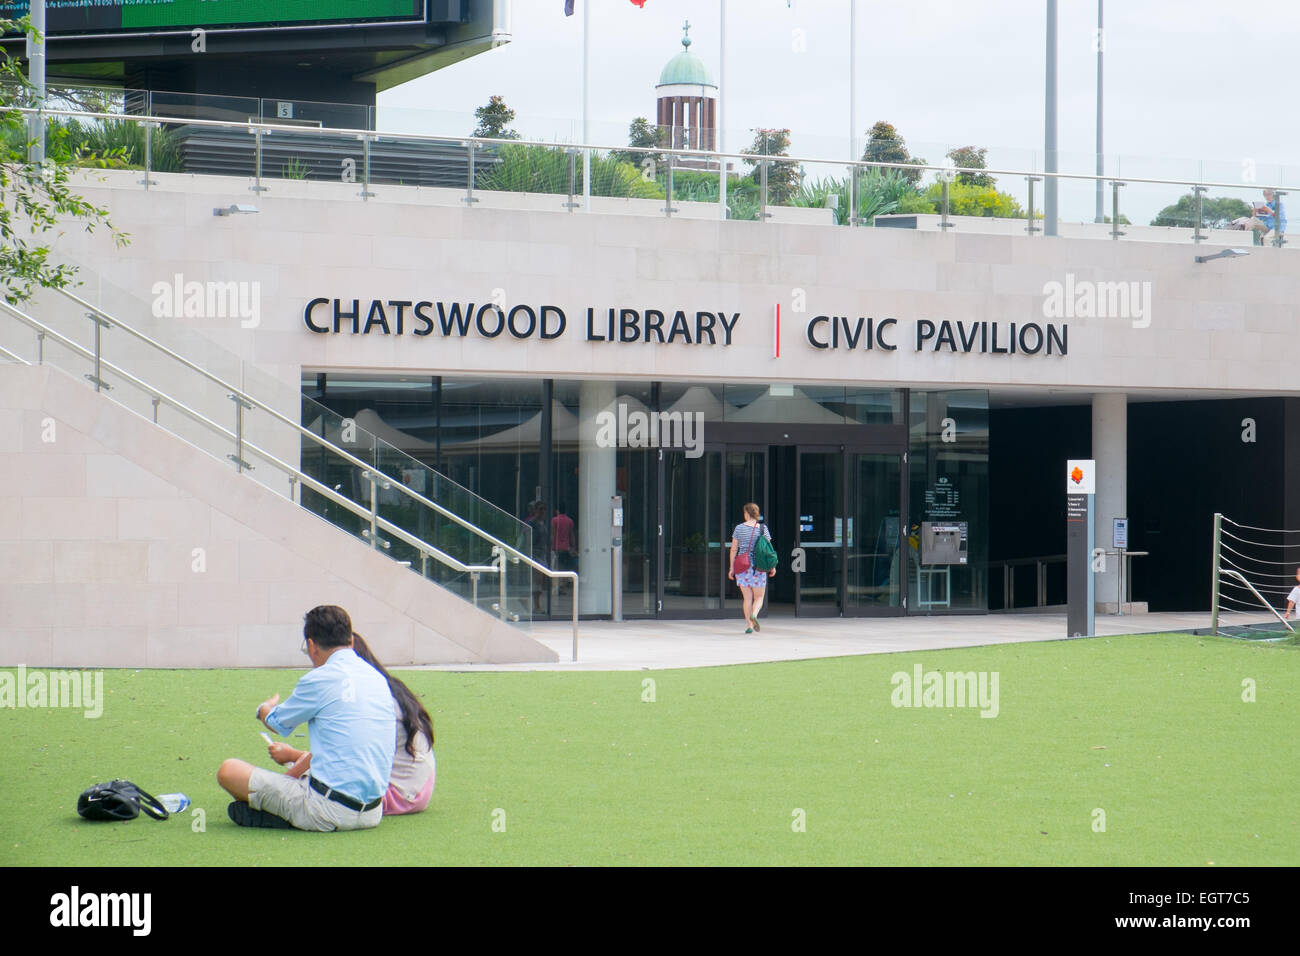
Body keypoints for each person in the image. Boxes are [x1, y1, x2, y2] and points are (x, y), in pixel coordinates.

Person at [217, 605, 396, 831]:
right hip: (373, 812)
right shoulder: (378, 679)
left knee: (229, 770)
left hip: (326, 810)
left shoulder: (320, 678)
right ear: (350, 641)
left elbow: (276, 723)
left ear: (311, 645)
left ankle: (287, 817)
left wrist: (264, 708)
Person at [265, 633, 436, 816]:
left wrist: (284, 782)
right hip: (420, 785)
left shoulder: (367, 697)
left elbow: (343, 755)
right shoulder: (388, 687)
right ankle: (292, 761)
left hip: (399, 793)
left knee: (331, 783)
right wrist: (294, 756)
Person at [728, 502, 775, 634]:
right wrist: (772, 566)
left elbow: (733, 549)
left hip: (742, 567)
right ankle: (754, 614)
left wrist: (731, 568)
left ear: (747, 513)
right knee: (759, 597)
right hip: (758, 567)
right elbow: (768, 550)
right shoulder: (762, 528)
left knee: (747, 598)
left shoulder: (739, 528)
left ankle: (749, 625)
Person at [551, 502, 576, 596]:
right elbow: (571, 534)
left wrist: (551, 545)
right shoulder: (569, 521)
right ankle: (562, 587)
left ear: (557, 510)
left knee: (556, 568)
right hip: (566, 547)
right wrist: (573, 547)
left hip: (556, 547)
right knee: (565, 568)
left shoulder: (554, 520)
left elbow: (553, 534)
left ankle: (556, 587)